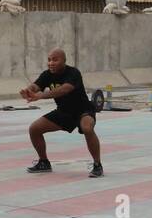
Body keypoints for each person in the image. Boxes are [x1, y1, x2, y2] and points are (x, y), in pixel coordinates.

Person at [21, 49, 103, 178]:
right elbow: (36, 86)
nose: (51, 63)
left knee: (87, 128)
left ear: (64, 61)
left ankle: (97, 165)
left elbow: (64, 90)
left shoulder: (73, 73)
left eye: (55, 60)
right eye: (49, 60)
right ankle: (44, 162)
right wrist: (28, 91)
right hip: (64, 112)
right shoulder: (47, 75)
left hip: (83, 110)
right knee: (34, 129)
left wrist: (40, 96)